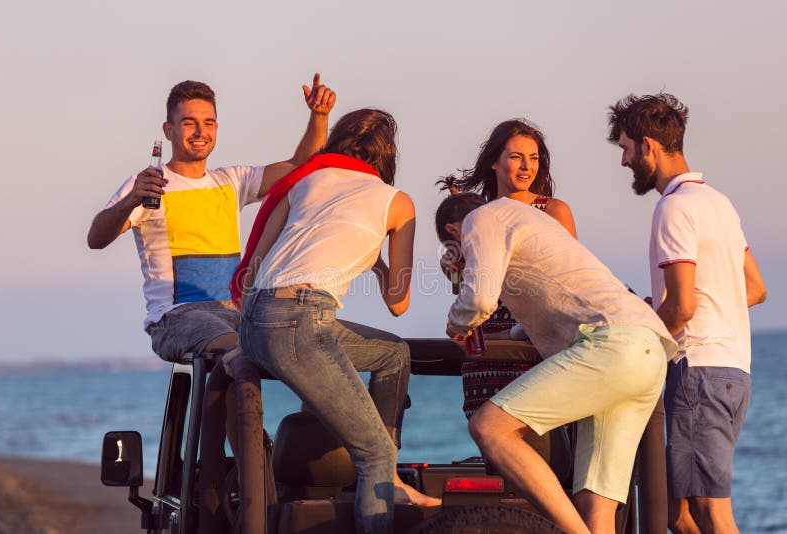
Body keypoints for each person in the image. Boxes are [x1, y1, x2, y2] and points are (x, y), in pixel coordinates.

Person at [87, 74, 336, 533]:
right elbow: (96, 238)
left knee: (302, 342)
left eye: (208, 122)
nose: (199, 131)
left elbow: (304, 164)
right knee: (235, 348)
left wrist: (318, 116)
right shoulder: (150, 185)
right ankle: (249, 491)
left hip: (232, 316)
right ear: (168, 131)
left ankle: (260, 479)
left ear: (217, 128)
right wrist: (129, 204)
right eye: (188, 123)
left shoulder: (231, 181)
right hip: (176, 318)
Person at [436, 192, 677, 533]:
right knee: (596, 510)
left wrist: (454, 325)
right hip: (645, 352)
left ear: (452, 231)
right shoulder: (522, 220)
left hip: (610, 347)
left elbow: (478, 299)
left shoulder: (481, 219)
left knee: (488, 428)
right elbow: (554, 304)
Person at [235, 108, 423, 533]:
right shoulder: (396, 202)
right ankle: (385, 477)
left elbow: (255, 267)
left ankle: (386, 477)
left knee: (394, 353)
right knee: (375, 454)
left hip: (256, 319)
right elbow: (399, 302)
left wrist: (249, 334)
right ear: (387, 157)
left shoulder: (302, 181)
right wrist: (377, 266)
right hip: (303, 320)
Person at [608, 93, 767, 534]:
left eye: (624, 149)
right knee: (678, 515)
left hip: (698, 370)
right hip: (734, 372)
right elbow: (753, 289)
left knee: (711, 512)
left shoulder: (673, 208)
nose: (624, 162)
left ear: (648, 146)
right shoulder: (720, 204)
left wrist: (644, 337)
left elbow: (682, 307)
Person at [438, 118, 576, 418]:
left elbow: (567, 285)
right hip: (485, 350)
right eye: (516, 157)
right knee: (492, 447)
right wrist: (453, 270)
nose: (527, 166)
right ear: (494, 163)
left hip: (536, 346)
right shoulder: (477, 215)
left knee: (547, 449)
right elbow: (468, 289)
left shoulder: (553, 211)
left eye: (533, 158)